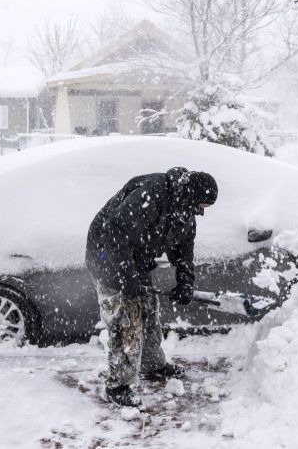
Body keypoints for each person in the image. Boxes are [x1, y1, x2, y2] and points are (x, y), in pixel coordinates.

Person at [85, 167, 218, 407]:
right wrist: (126, 279)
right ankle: (118, 385)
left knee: (147, 310)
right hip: (107, 256)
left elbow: (184, 250)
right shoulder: (153, 192)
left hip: (135, 260)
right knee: (126, 318)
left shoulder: (184, 210)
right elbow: (116, 232)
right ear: (190, 195)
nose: (201, 212)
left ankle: (152, 365)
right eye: (202, 205)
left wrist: (185, 282)